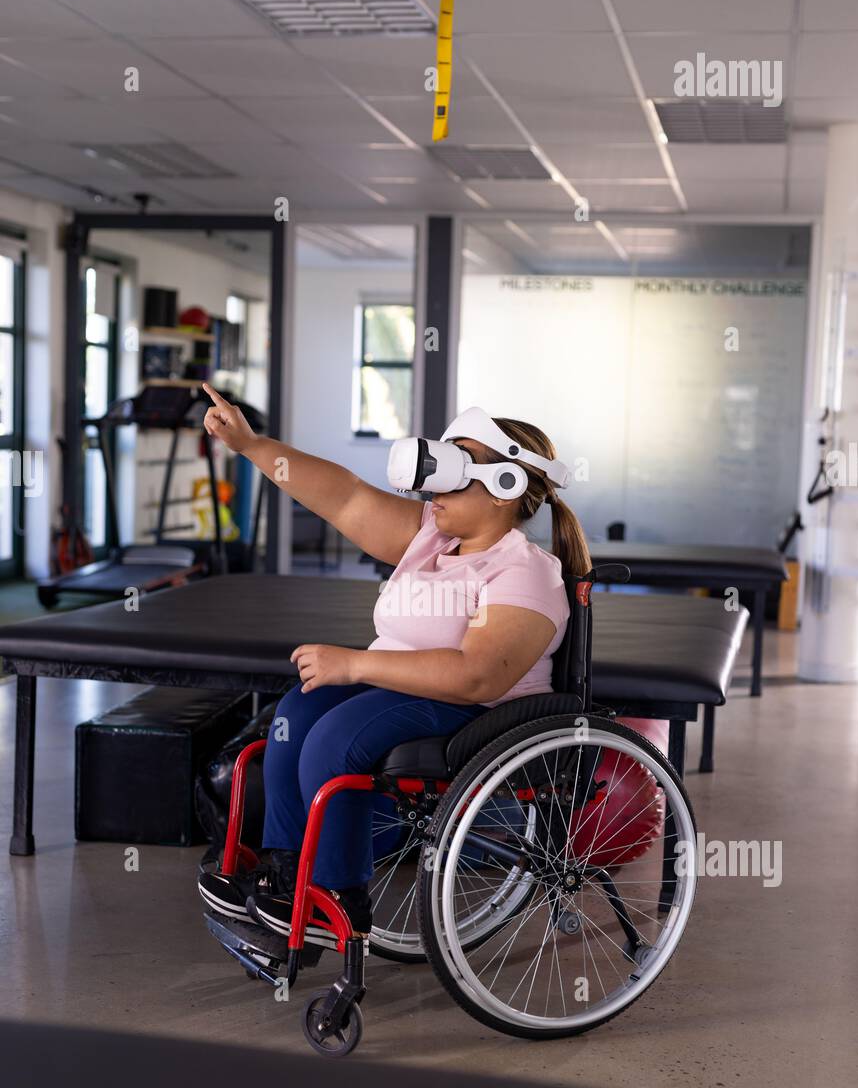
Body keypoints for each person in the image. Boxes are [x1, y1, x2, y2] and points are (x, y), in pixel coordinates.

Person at [197, 383, 591, 940]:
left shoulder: (523, 570)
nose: (434, 489)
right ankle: (287, 877)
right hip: (399, 694)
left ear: (506, 487)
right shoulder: (430, 537)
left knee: (336, 738)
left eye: (458, 470)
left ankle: (337, 894)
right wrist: (252, 445)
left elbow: (478, 674)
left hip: (475, 710)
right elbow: (344, 495)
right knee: (294, 717)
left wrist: (356, 665)